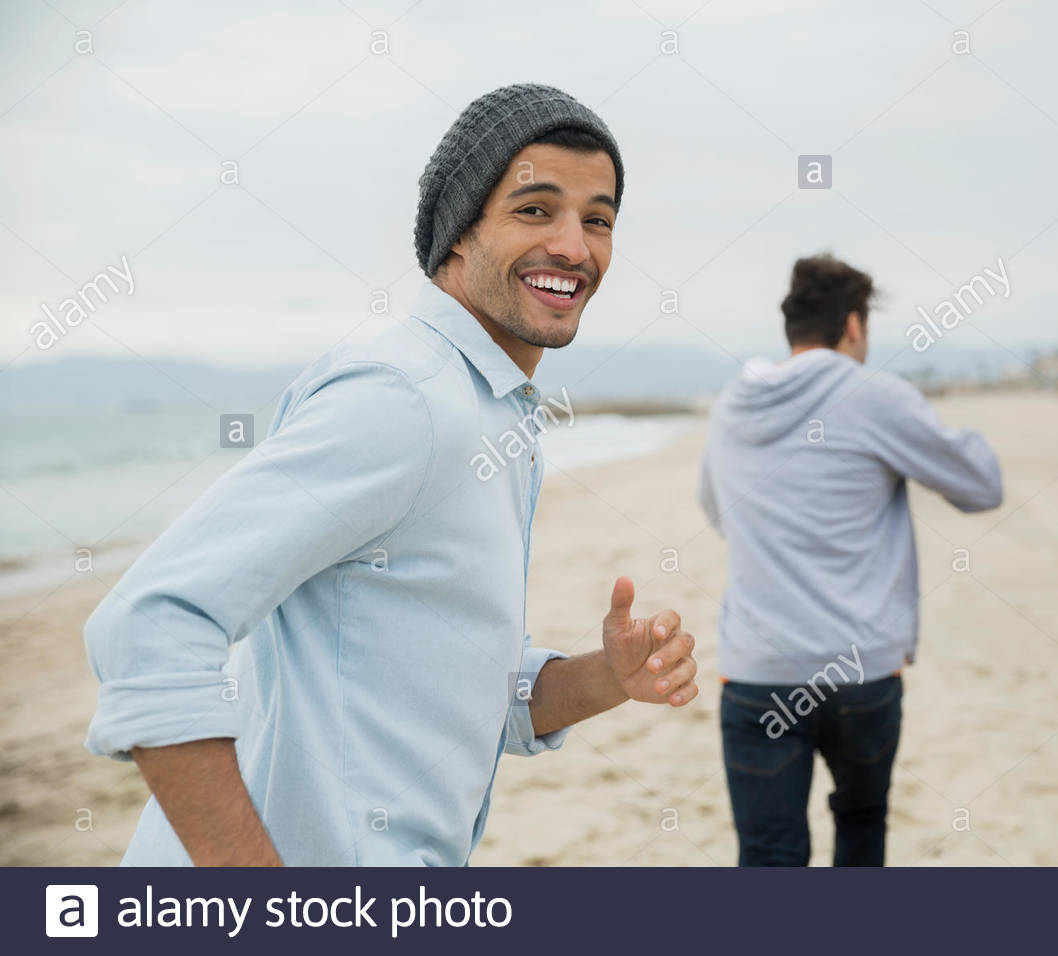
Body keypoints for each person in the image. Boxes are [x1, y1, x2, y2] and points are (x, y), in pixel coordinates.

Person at [82, 83, 699, 867]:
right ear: (458, 232)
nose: (575, 248)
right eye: (535, 209)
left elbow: (453, 700)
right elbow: (149, 624)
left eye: (598, 219)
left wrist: (607, 677)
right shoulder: (403, 401)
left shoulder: (497, 416)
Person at [697, 254, 1003, 866]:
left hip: (758, 670)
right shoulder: (878, 397)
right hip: (860, 672)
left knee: (766, 855)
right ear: (855, 326)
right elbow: (981, 487)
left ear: (793, 328)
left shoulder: (734, 404)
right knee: (862, 829)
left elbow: (716, 511)